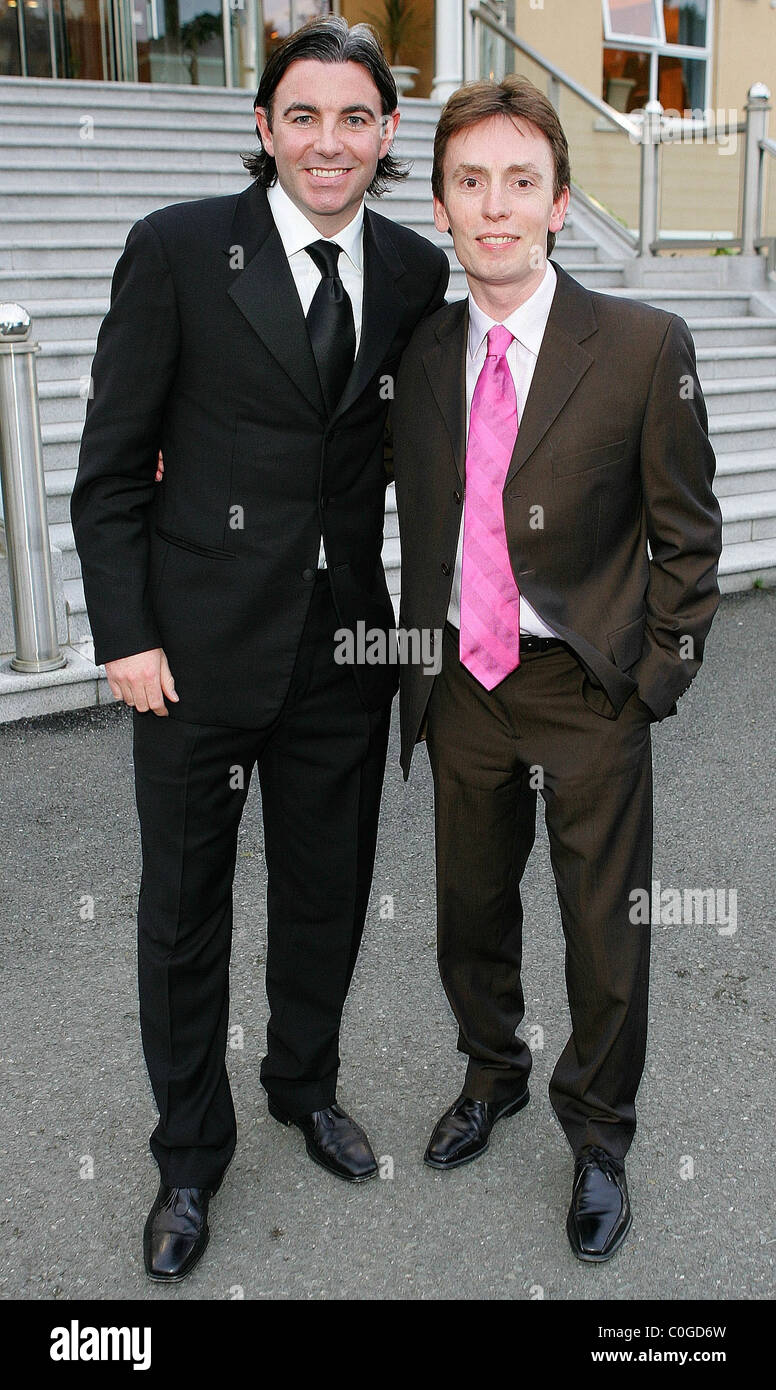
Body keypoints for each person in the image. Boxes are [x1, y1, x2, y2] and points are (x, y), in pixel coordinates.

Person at [71, 15, 449, 1283]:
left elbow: (419, 454)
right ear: (263, 128)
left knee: (326, 894)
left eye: (354, 118)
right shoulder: (177, 250)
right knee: (182, 917)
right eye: (303, 115)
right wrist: (123, 632)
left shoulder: (408, 272)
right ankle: (188, 1157)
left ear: (387, 133)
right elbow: (111, 469)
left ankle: (304, 1083)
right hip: (190, 655)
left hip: (342, 649)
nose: (328, 141)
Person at [391, 76, 722, 1263]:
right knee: (467, 908)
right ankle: (491, 1076)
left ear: (559, 205)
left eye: (518, 182)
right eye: (469, 183)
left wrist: (654, 677)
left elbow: (687, 534)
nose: (494, 207)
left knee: (602, 927)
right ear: (438, 208)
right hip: (461, 685)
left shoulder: (638, 347)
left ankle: (597, 1136)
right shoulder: (419, 353)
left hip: (587, 683)